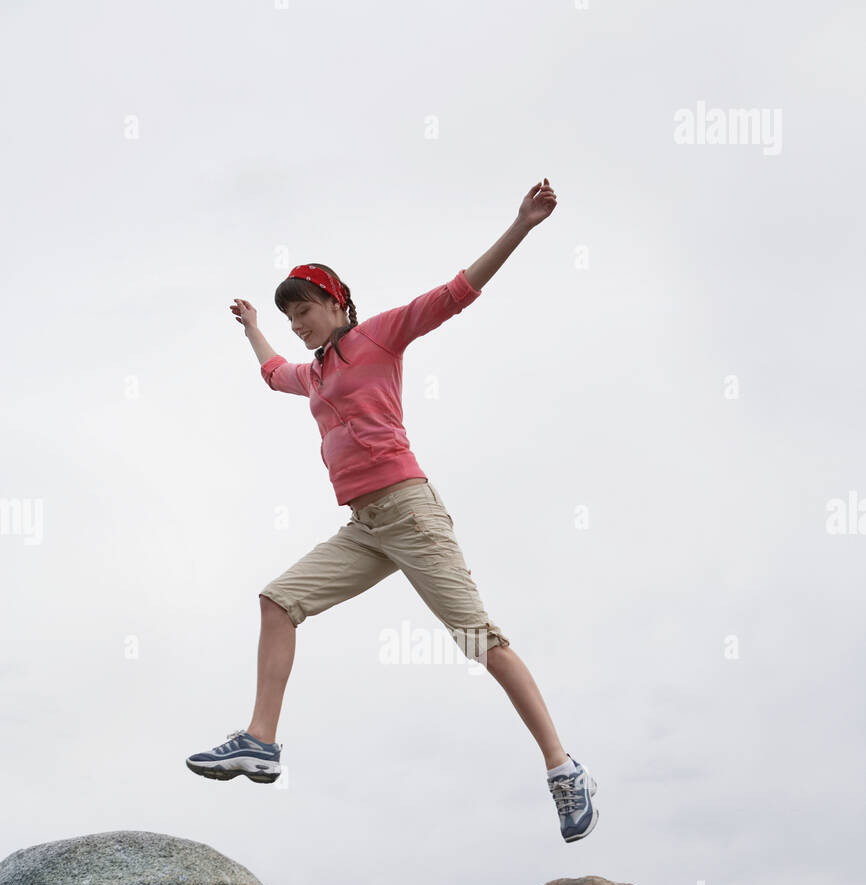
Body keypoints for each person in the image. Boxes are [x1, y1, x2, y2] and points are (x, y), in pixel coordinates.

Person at [186, 179, 598, 842]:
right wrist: (255, 331)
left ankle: (564, 768)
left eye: (305, 310)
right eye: (290, 316)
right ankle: (260, 742)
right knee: (278, 601)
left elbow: (455, 293)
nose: (299, 324)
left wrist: (522, 223)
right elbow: (273, 375)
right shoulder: (315, 374)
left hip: (409, 512)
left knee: (479, 642)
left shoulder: (379, 338)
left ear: (337, 303)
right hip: (367, 529)